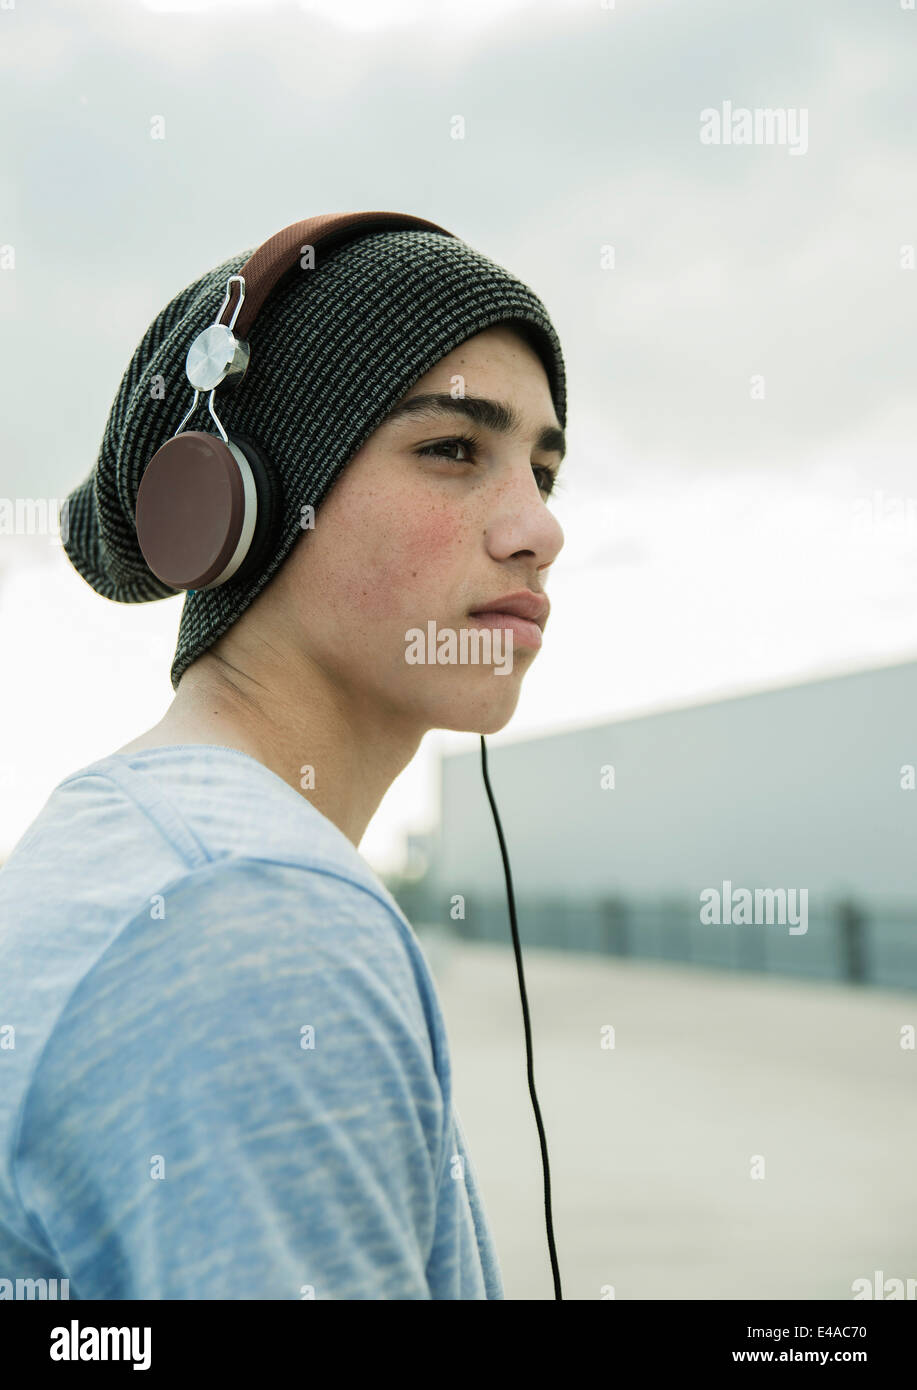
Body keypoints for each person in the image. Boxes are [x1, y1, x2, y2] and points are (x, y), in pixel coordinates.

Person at [0, 219, 567, 1300]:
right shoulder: (246, 912)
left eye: (542, 467)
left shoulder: (160, 852)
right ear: (233, 502)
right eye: (452, 448)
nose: (538, 527)